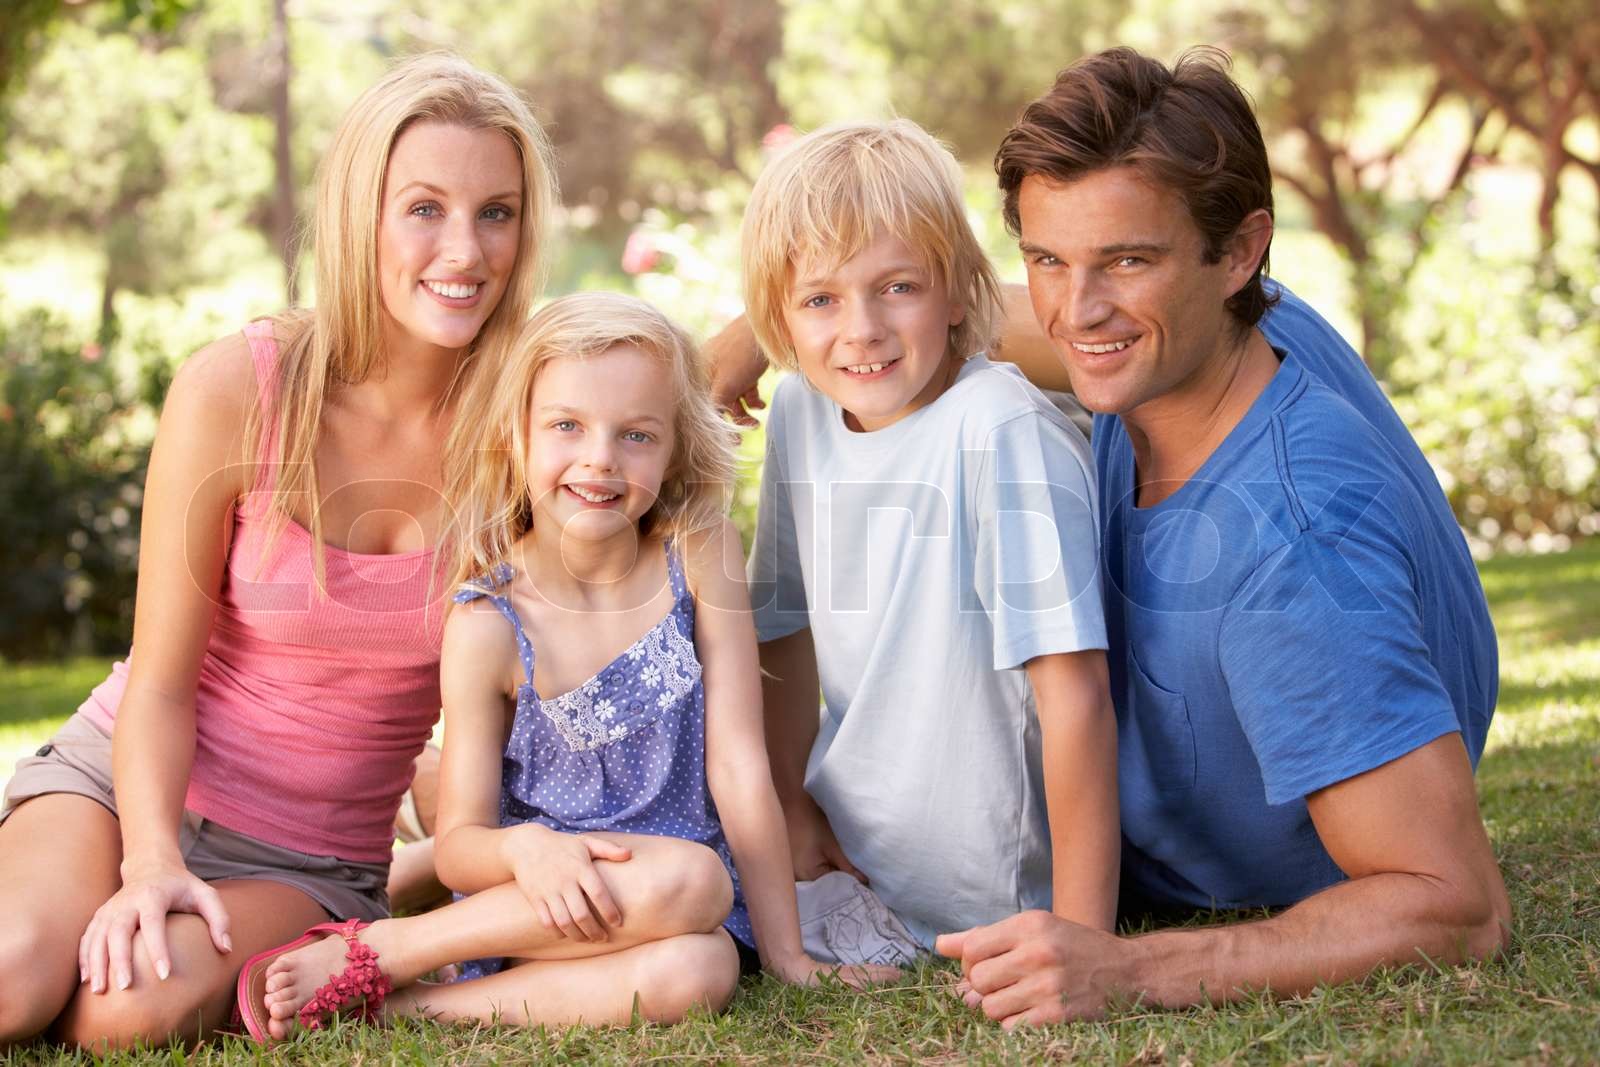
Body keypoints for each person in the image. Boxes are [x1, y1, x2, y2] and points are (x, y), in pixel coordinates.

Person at [928, 48, 1509, 1025]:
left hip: (1269, 854)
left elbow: (1455, 903)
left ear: (1239, 252)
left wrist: (1132, 970)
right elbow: (1012, 321)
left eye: (1127, 261)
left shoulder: (1291, 545)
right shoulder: (1231, 329)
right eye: (1048, 258)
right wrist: (756, 333)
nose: (1077, 310)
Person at [0, 54, 558, 1050]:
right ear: (358, 216)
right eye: (423, 208)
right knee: (11, 980)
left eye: (497, 213)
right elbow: (159, 679)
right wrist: (148, 862)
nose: (465, 250)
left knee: (123, 1013)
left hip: (309, 857)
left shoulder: (530, 422)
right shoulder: (238, 388)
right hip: (123, 786)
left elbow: (659, 410)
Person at [238, 293, 896, 1039]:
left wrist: (787, 956)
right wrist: (526, 849)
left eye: (637, 434)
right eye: (566, 426)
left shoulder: (698, 550)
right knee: (692, 878)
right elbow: (460, 845)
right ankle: (396, 948)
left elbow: (740, 767)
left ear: (676, 447)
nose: (600, 459)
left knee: (703, 969)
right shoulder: (489, 623)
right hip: (541, 909)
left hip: (682, 908)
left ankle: (402, 1007)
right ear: (515, 434)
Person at [741, 120, 1118, 966]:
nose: (862, 329)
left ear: (955, 292)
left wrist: (1087, 940)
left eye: (898, 287)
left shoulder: (1000, 428)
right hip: (857, 869)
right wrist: (792, 808)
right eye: (820, 299)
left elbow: (1076, 695)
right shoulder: (801, 409)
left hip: (993, 893)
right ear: (781, 317)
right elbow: (783, 627)